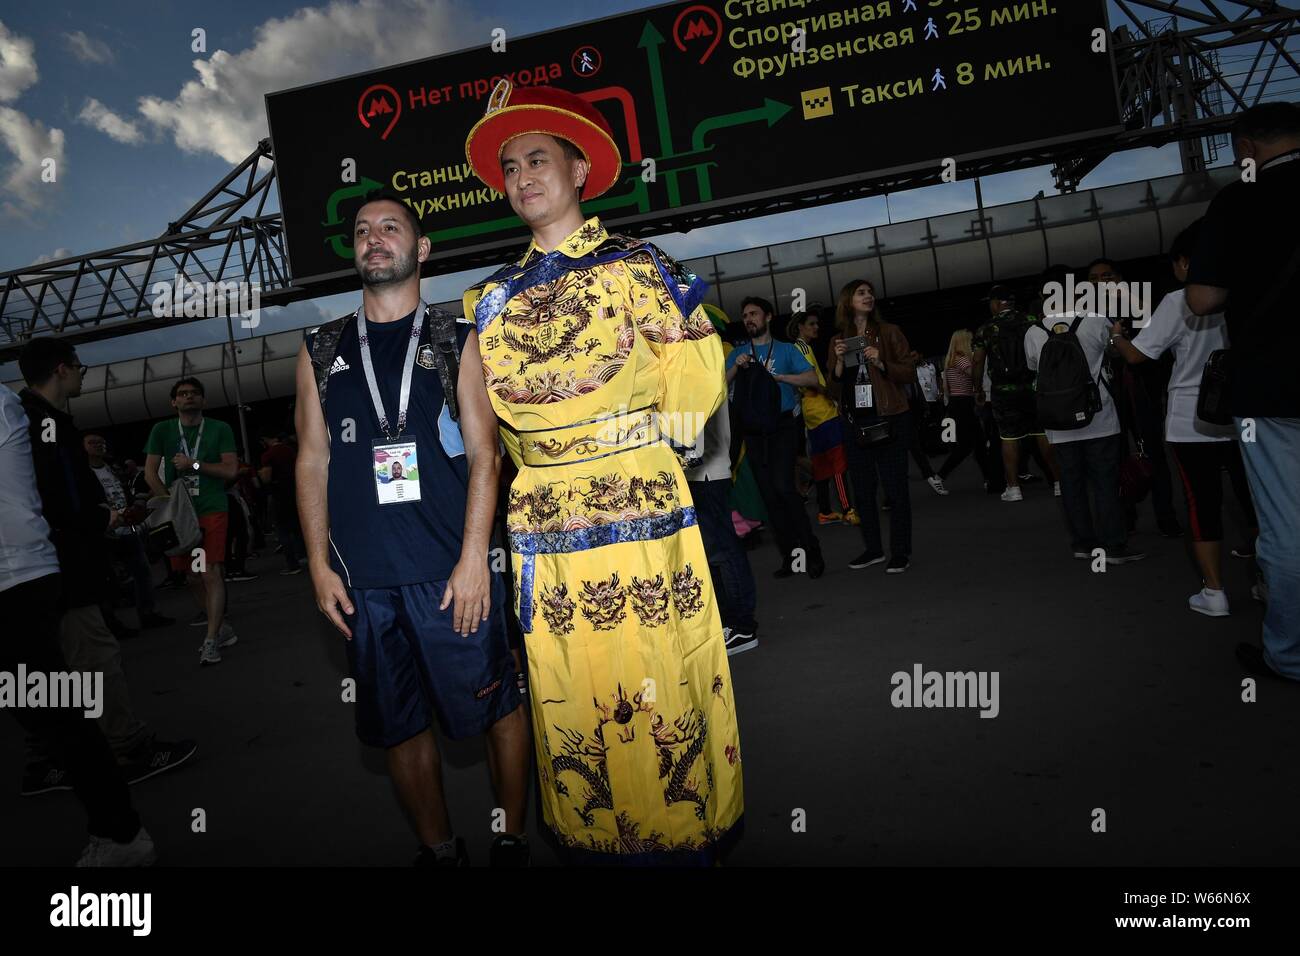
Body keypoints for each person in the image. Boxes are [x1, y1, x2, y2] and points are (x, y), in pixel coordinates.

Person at [461, 79, 743, 863]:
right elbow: (495, 431)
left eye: (539, 160)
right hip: (546, 525)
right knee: (570, 691)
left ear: (581, 170)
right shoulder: (487, 302)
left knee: (659, 685)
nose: (522, 178)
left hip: (641, 514)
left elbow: (694, 385)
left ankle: (682, 836)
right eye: (510, 166)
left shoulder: (639, 266)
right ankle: (598, 842)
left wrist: (637, 451)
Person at [296, 191, 530, 867]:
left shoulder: (458, 339)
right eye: (363, 230)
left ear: (420, 249)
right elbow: (312, 460)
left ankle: (510, 838)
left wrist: (473, 559)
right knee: (398, 726)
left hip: (450, 571)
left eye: (391, 227)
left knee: (496, 708)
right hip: (363, 582)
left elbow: (487, 456)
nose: (375, 238)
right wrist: (317, 563)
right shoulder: (320, 348)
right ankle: (439, 848)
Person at [17, 338, 196, 792]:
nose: (83, 374)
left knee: (44, 668)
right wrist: (102, 516)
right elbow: (54, 495)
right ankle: (128, 749)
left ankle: (48, 760)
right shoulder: (41, 423)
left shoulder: (30, 420)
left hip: (35, 568)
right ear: (61, 369)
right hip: (58, 565)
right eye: (79, 367)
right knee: (95, 659)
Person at [0, 386, 156, 865]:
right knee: (44, 705)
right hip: (22, 573)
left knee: (52, 708)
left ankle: (121, 833)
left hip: (16, 576)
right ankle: (118, 828)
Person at [1185, 101, 1300, 680]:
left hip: (1273, 387)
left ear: (1248, 149)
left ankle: (1290, 654)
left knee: (1286, 524)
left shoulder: (1238, 200)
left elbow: (1202, 300)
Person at [1111, 221, 1257, 616]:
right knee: (1254, 501)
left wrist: (1116, 337)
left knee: (1201, 502)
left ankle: (1215, 592)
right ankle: (1265, 581)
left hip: (1190, 418)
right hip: (1245, 412)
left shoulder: (1178, 301)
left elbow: (1139, 356)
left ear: (1183, 263)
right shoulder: (1246, 290)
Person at [1023, 311, 1146, 565]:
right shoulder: (1096, 320)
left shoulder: (1034, 331)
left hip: (1058, 421)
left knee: (1071, 484)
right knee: (1105, 482)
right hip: (1099, 416)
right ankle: (1113, 545)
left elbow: (1034, 367)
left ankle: (1083, 543)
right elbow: (1115, 352)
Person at [726, 297, 827, 578]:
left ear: (768, 317)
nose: (748, 319)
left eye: (754, 314)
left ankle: (811, 549)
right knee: (769, 495)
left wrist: (781, 379)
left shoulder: (786, 350)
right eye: (745, 315)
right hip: (754, 432)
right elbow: (720, 387)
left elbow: (811, 380)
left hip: (782, 427)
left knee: (784, 488)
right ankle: (792, 556)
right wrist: (736, 367)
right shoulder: (738, 354)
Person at [143, 378, 240, 665]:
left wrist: (194, 464)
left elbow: (231, 470)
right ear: (174, 402)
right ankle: (220, 628)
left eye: (195, 394)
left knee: (210, 572)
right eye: (182, 394)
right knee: (192, 576)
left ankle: (210, 640)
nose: (189, 398)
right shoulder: (161, 430)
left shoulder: (219, 428)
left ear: (203, 401)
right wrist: (169, 506)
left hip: (211, 508)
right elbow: (150, 473)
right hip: (180, 516)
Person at [1087, 257, 1182, 538]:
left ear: (1118, 277)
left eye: (1106, 275)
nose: (1100, 282)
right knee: (1113, 458)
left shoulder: (1141, 303)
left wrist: (1124, 343)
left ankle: (1166, 518)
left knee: (1153, 454)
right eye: (1094, 278)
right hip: (1107, 394)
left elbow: (1156, 348)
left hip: (1141, 389)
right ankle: (1125, 519)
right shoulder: (1086, 312)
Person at [828, 279, 917, 573]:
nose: (868, 297)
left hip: (890, 417)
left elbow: (909, 373)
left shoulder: (889, 333)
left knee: (895, 489)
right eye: (860, 293)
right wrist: (839, 363)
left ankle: (901, 552)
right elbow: (832, 389)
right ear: (847, 300)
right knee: (863, 492)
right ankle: (874, 549)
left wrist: (882, 363)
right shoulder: (838, 340)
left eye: (870, 292)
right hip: (855, 423)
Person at [971, 286, 1059, 501]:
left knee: (1008, 437)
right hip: (1033, 386)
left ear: (995, 303)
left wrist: (977, 388)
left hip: (1003, 390)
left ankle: (1013, 488)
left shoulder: (986, 328)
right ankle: (1059, 482)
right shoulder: (1031, 319)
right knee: (1042, 433)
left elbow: (978, 361)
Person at [83, 433, 173, 630]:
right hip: (105, 531)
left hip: (127, 526)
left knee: (142, 571)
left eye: (101, 442)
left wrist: (136, 506)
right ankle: (111, 622)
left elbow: (125, 492)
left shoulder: (112, 468)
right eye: (92, 443)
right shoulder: (83, 473)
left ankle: (147, 613)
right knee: (107, 578)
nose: (99, 445)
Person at [788, 311, 857, 526]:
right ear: (800, 326)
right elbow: (810, 381)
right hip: (820, 410)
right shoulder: (800, 348)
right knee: (837, 460)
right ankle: (847, 509)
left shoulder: (801, 348)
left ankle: (825, 511)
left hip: (813, 412)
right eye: (812, 324)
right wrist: (827, 392)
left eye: (817, 323)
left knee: (821, 464)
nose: (816, 327)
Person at [936, 329, 989, 485]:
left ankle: (988, 478)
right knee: (968, 446)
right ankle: (939, 476)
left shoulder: (953, 359)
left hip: (958, 403)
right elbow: (975, 374)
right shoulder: (961, 359)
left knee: (976, 444)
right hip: (963, 404)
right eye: (971, 340)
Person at [258, 430, 306, 574]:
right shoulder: (289, 450)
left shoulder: (268, 455)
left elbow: (266, 477)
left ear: (266, 439)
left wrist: (262, 476)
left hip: (279, 495)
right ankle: (303, 555)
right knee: (297, 527)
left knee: (283, 530)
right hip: (294, 492)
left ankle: (292, 564)